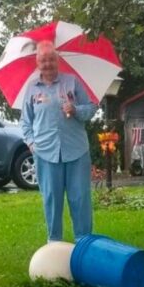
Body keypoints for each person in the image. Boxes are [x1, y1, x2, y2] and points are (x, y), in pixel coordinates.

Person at [19, 40, 96, 242]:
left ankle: (84, 243)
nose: (48, 64)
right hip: (45, 152)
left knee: (80, 199)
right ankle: (54, 244)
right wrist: (31, 143)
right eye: (43, 60)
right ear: (37, 62)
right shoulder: (31, 89)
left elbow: (90, 109)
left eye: (51, 59)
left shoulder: (72, 82)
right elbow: (25, 122)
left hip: (76, 151)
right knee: (52, 201)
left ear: (58, 60)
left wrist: (76, 110)